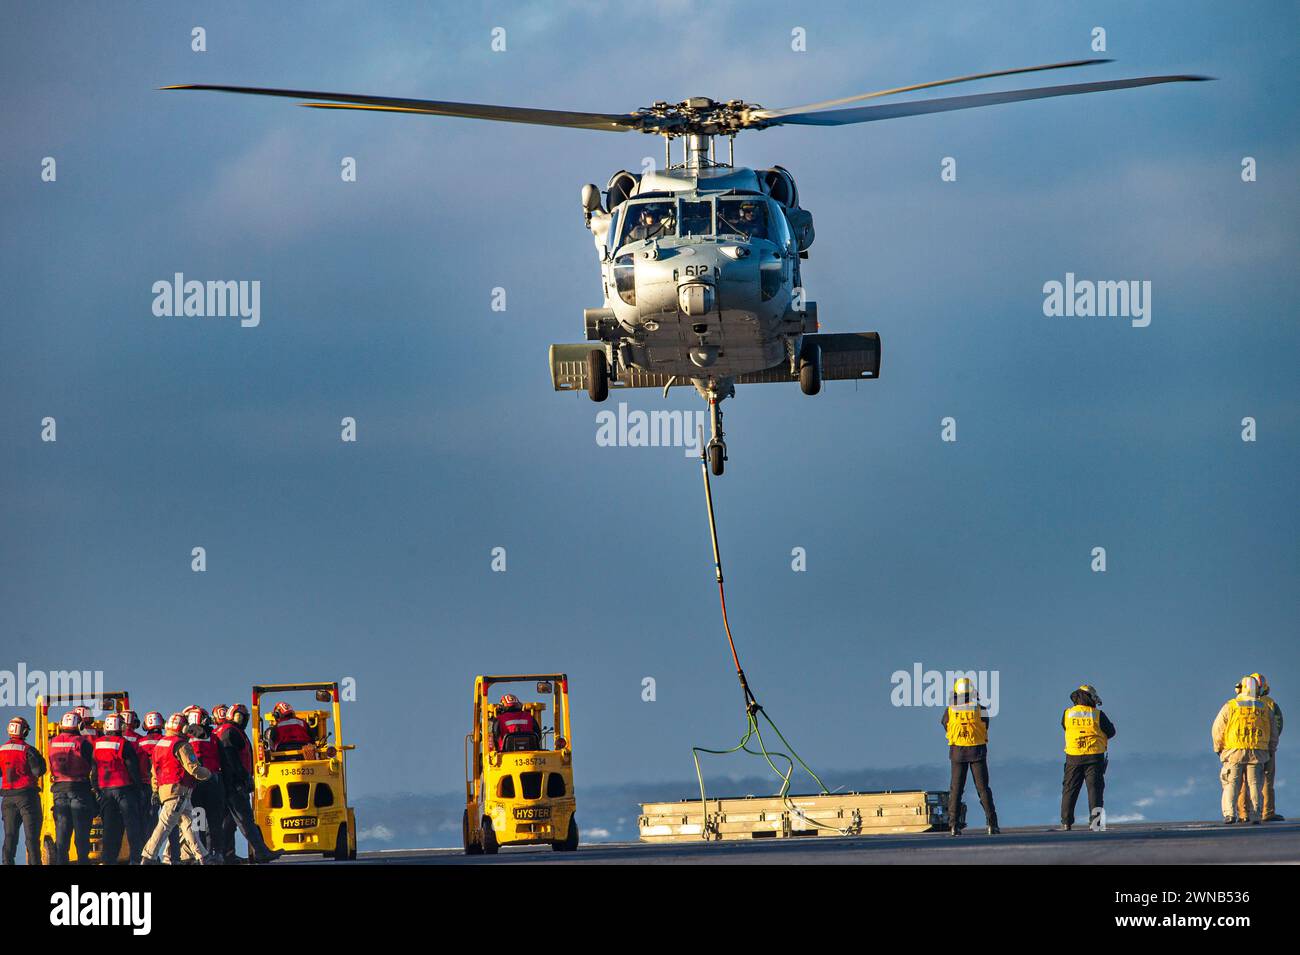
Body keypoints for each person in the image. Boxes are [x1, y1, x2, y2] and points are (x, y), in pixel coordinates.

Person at [140, 713, 211, 865]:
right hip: (179, 792)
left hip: (168, 791)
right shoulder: (182, 745)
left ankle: (203, 857)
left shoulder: (160, 744)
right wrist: (209, 774)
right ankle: (148, 857)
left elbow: (154, 771)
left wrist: (155, 790)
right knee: (164, 826)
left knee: (189, 826)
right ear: (183, 728)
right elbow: (194, 769)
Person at [215, 703, 280, 864]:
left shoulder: (226, 731)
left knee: (229, 823)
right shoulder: (231, 732)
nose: (243, 719)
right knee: (246, 820)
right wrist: (244, 778)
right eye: (241, 716)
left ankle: (227, 855)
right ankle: (261, 852)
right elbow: (232, 760)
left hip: (225, 785)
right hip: (234, 785)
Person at [1212, 675, 1277, 824]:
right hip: (1258, 752)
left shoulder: (1231, 706)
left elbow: (1218, 729)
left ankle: (1230, 814)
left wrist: (1218, 748)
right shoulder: (1265, 708)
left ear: (1240, 688)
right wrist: (1270, 749)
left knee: (1232, 784)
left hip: (1234, 752)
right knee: (1255, 784)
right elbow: (1273, 731)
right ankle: (1255, 815)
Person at [941, 676, 999, 835]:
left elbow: (944, 724)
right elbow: (986, 724)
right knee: (983, 789)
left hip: (958, 753)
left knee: (956, 790)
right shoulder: (980, 708)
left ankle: (953, 826)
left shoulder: (950, 710)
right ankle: (992, 824)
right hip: (977, 752)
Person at [1059, 684, 1117, 831]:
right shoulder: (1097, 714)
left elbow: (1064, 727)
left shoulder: (1067, 713)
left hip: (1073, 756)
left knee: (1069, 789)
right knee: (1095, 790)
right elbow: (1111, 732)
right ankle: (1096, 823)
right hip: (1094, 756)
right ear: (1089, 697)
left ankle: (1066, 822)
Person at [92, 713, 143, 864]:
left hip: (105, 790)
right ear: (119, 727)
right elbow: (133, 768)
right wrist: (138, 788)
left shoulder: (97, 744)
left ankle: (108, 859)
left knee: (109, 827)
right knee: (132, 826)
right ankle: (135, 859)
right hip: (124, 790)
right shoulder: (123, 743)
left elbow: (94, 769)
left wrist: (96, 788)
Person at [48, 710, 97, 864]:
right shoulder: (83, 743)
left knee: (62, 834)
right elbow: (94, 764)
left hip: (59, 792)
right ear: (80, 725)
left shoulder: (52, 742)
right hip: (79, 791)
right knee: (81, 834)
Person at [1237, 672, 1284, 822]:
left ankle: (1244, 813)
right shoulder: (1270, 704)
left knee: (1244, 781)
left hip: (1242, 747)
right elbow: (1278, 725)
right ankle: (1267, 812)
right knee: (1266, 779)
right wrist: (1271, 744)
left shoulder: (1237, 703)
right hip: (1266, 747)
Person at [1, 716, 46, 865]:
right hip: (27, 797)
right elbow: (38, 771)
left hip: (7, 799)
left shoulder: (1, 750)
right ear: (24, 731)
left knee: (9, 836)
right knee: (32, 838)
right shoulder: (28, 750)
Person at [184, 708, 226, 861]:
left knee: (198, 820)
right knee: (215, 820)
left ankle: (202, 854)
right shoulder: (214, 738)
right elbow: (224, 761)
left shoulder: (186, 739)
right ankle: (217, 853)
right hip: (213, 782)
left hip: (195, 785)